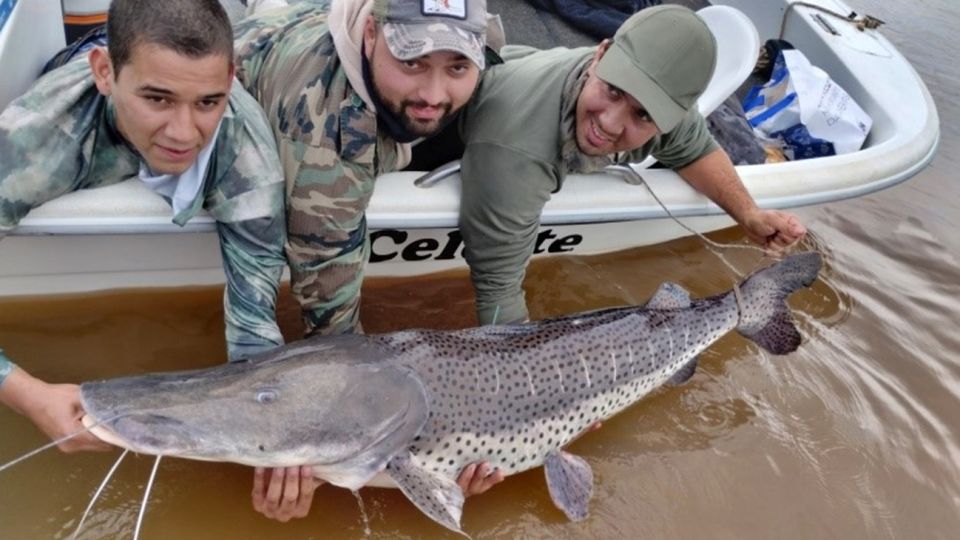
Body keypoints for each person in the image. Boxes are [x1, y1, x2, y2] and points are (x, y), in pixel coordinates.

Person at [231, 0, 503, 521]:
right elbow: (333, 336)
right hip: (279, 92)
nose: (432, 94)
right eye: (412, 62)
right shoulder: (328, 153)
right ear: (373, 34)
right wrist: (305, 458)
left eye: (457, 66)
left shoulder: (435, 59)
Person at [0, 0, 286, 453]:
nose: (184, 133)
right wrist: (27, 394)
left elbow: (254, 330)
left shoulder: (249, 161)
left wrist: (275, 444)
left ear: (231, 80)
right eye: (157, 99)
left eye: (208, 102)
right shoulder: (33, 143)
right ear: (105, 73)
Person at [457, 5, 808, 325]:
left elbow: (696, 150)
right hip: (485, 117)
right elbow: (498, 292)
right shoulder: (515, 150)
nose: (609, 123)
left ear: (672, 116)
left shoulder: (654, 98)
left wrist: (748, 214)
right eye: (613, 91)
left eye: (643, 114)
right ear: (600, 55)